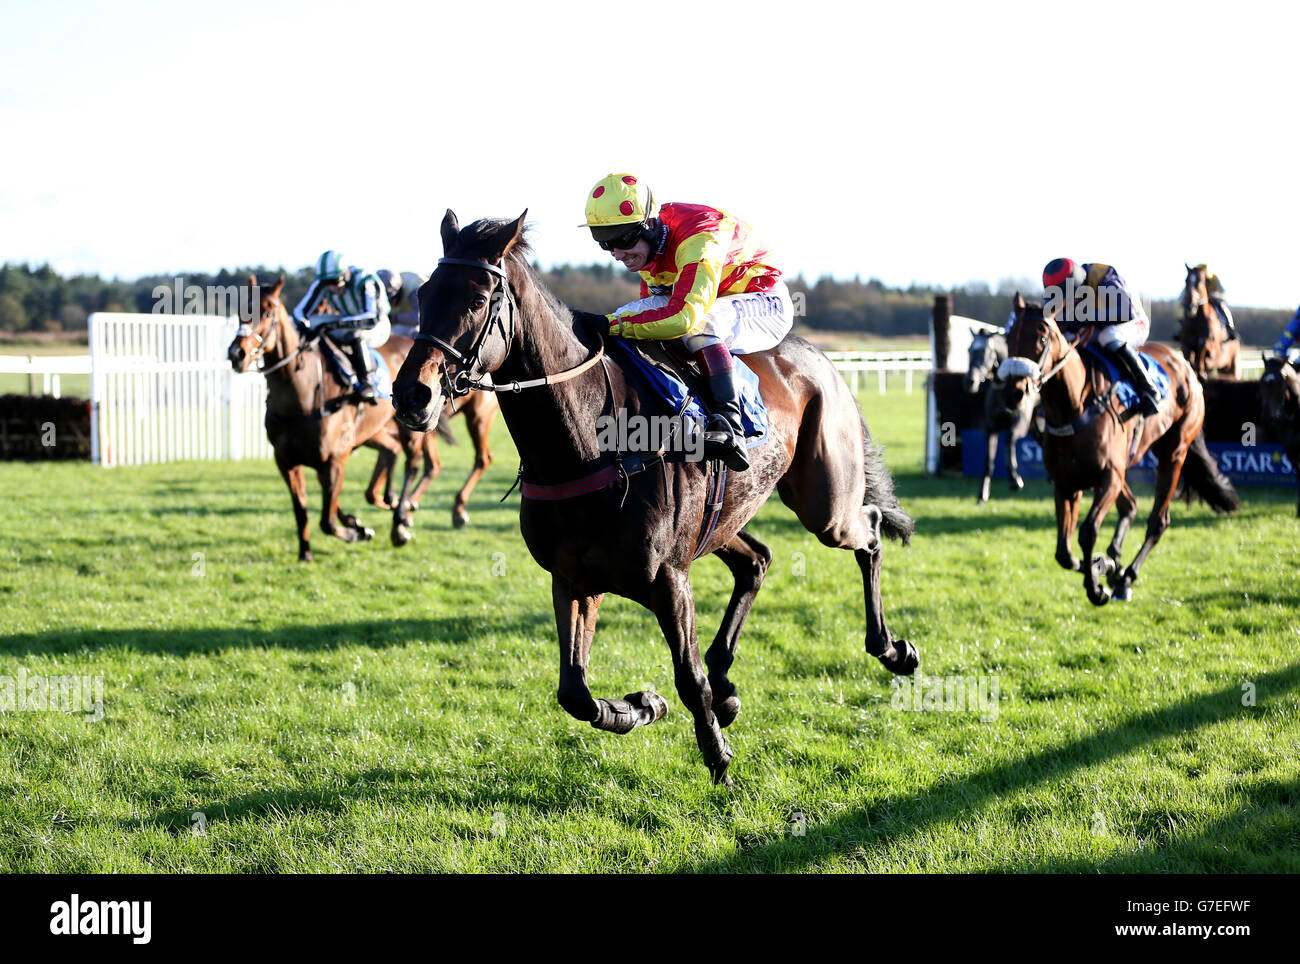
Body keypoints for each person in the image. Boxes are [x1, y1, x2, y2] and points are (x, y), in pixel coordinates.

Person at [579, 173, 793, 471]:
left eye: (621, 240)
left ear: (650, 224)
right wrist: (610, 324)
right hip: (712, 302)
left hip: (764, 301)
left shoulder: (698, 236)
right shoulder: (647, 248)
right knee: (628, 315)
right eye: (605, 244)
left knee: (700, 324)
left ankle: (729, 423)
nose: (616, 254)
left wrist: (611, 324)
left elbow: (684, 316)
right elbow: (645, 314)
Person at [1042, 258, 1160, 416]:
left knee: (1108, 336)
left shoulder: (1104, 277)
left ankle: (1149, 389)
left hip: (1133, 321)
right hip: (1101, 324)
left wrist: (1084, 317)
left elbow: (1125, 312)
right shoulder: (1067, 287)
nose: (1066, 304)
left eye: (1068, 299)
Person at [293, 250, 391, 403]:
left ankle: (367, 382)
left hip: (377, 326)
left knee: (357, 334)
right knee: (311, 324)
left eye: (335, 281)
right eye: (327, 283)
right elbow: (300, 312)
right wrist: (304, 325)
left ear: (346, 273)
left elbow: (371, 317)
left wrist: (334, 324)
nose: (331, 287)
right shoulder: (323, 282)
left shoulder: (365, 279)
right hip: (345, 321)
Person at [1194, 263, 1239, 341]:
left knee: (1222, 308)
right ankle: (1180, 330)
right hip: (1200, 302)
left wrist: (1215, 295)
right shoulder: (1196, 280)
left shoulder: (1214, 278)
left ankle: (1230, 328)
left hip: (1214, 301)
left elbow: (1223, 292)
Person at [378, 269, 426, 337]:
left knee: (395, 332)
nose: (390, 304)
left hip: (432, 327)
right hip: (404, 325)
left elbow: (418, 319)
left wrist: (392, 318)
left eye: (391, 300)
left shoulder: (414, 286)